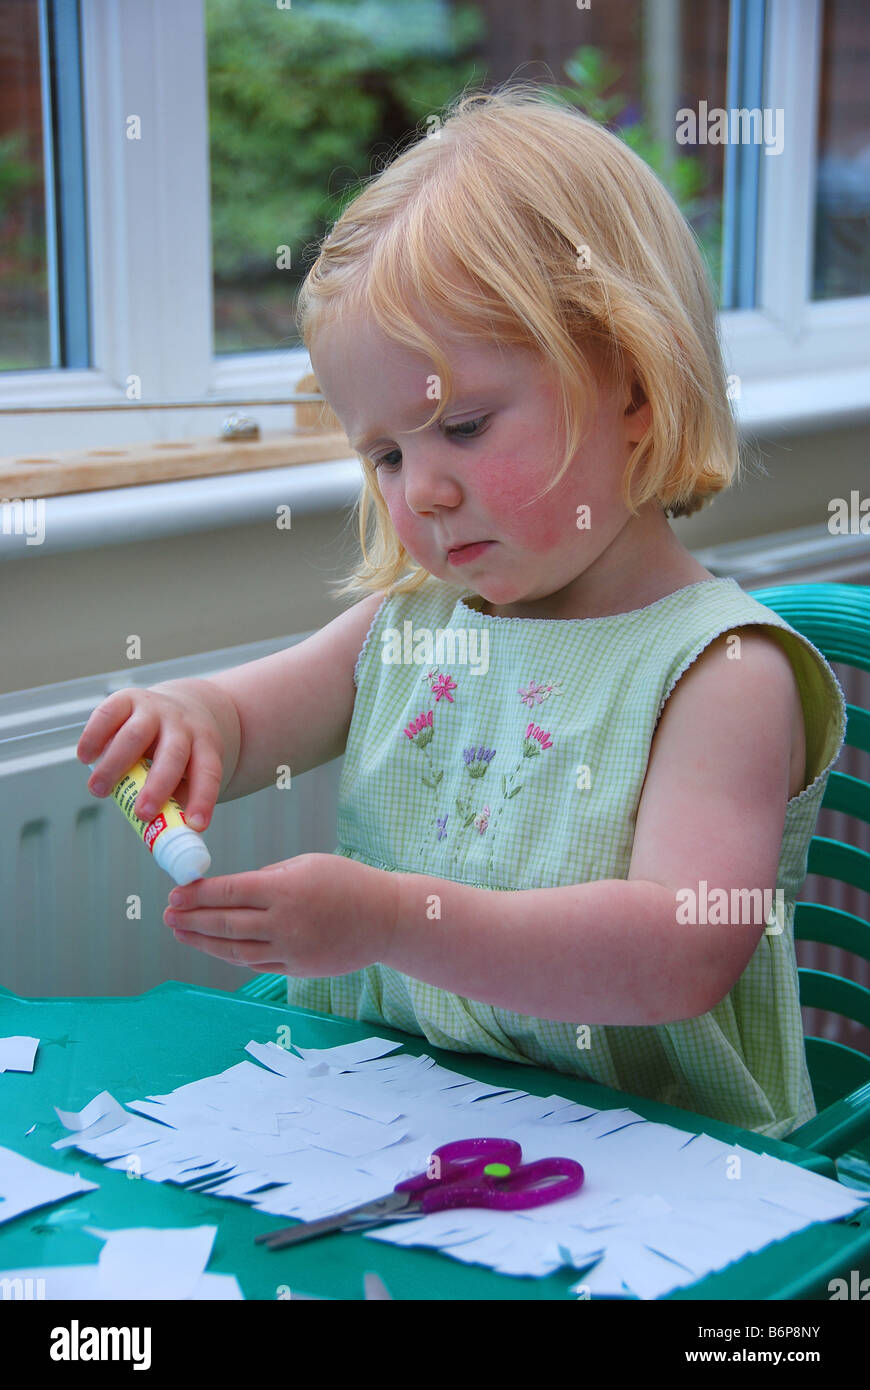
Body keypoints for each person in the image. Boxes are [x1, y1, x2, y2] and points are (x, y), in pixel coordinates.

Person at [79, 85, 845, 1139]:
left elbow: (678, 952)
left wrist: (394, 919)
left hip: (659, 1181)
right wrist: (184, 722)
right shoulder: (420, 621)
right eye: (385, 454)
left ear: (633, 383)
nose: (421, 491)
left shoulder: (722, 673)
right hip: (407, 1131)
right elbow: (245, 723)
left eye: (466, 426)